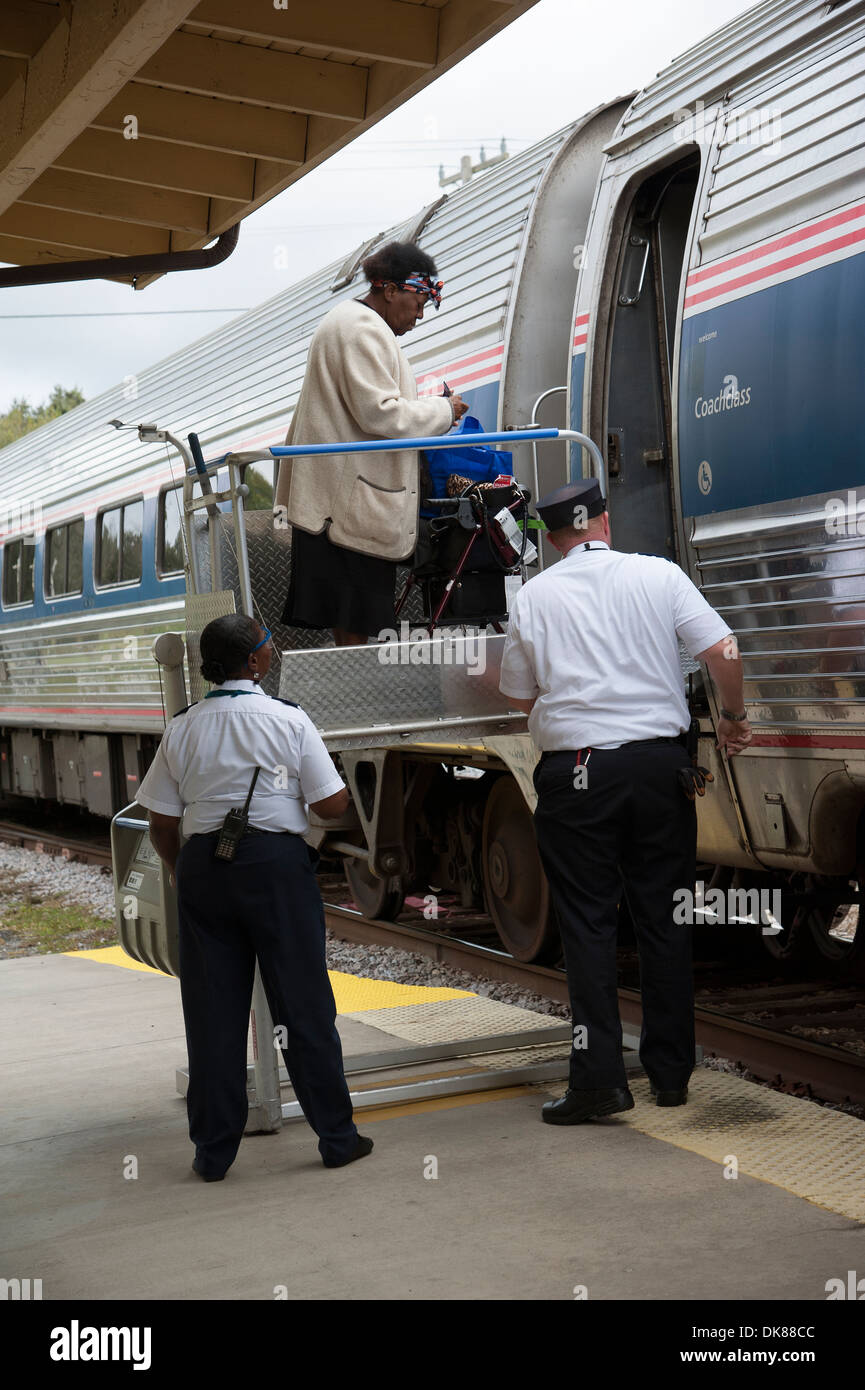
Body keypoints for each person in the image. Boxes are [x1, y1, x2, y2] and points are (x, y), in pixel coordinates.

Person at [499, 479, 753, 1125]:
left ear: (553, 540)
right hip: (657, 768)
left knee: (587, 925)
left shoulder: (533, 596)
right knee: (664, 918)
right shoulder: (658, 575)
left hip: (578, 771)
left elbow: (518, 698)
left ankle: (599, 1083)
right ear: (604, 523)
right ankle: (670, 1078)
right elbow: (723, 649)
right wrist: (732, 717)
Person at [136, 613, 372, 1178]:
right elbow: (333, 806)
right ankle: (337, 1138)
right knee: (303, 1003)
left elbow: (160, 819)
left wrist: (180, 871)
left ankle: (213, 1154)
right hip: (275, 869)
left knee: (213, 1010)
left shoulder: (183, 726)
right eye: (267, 647)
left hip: (203, 870)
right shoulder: (288, 719)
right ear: (255, 661)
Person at [275, 240, 469, 646]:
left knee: (354, 625)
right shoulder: (361, 328)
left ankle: (356, 701)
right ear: (390, 289)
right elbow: (380, 413)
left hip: (343, 505)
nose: (418, 316)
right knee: (357, 626)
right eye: (418, 303)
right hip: (348, 511)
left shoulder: (351, 323)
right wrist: (444, 411)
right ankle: (357, 707)